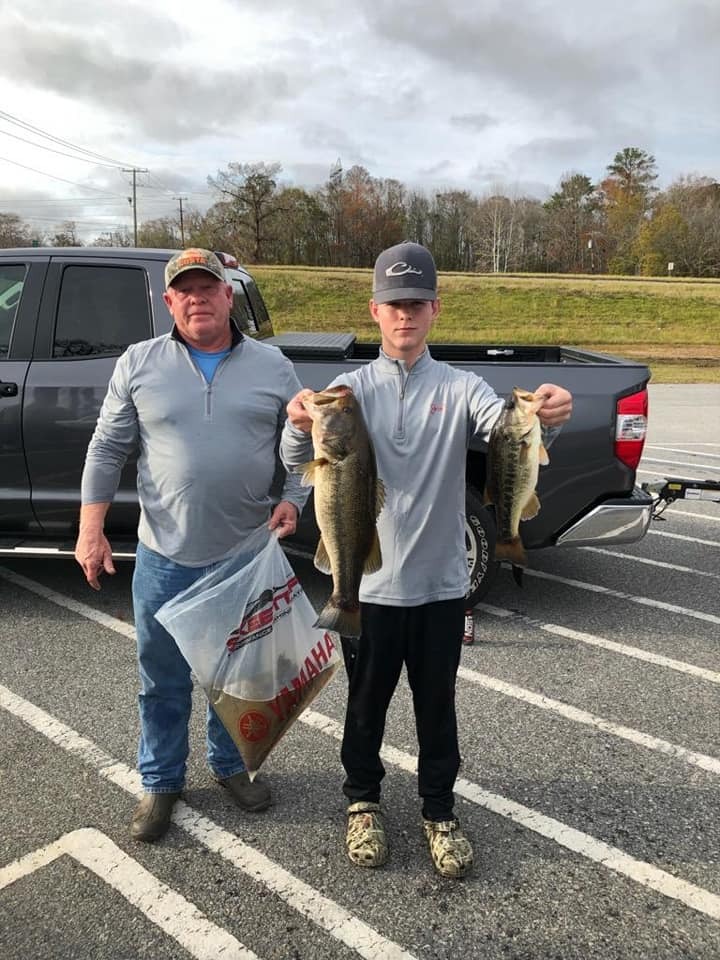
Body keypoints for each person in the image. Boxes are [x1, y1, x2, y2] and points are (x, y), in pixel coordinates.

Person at [280, 241, 572, 879]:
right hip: (370, 588)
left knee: (437, 708)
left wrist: (544, 418)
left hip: (441, 587)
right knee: (364, 707)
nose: (404, 315)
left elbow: (505, 431)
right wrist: (297, 423)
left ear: (435, 309)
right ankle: (362, 803)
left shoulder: (463, 386)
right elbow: (297, 462)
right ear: (375, 311)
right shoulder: (348, 391)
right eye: (393, 304)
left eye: (415, 303)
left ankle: (439, 811)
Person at [75, 247, 307, 843]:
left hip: (244, 555)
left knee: (239, 672)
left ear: (230, 297)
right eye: (187, 290)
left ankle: (231, 767)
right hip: (164, 556)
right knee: (163, 678)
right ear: (168, 300)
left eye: (211, 288)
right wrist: (90, 528)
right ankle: (160, 782)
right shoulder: (139, 362)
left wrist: (293, 499)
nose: (199, 298)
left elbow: (301, 443)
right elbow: (106, 449)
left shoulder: (274, 366)